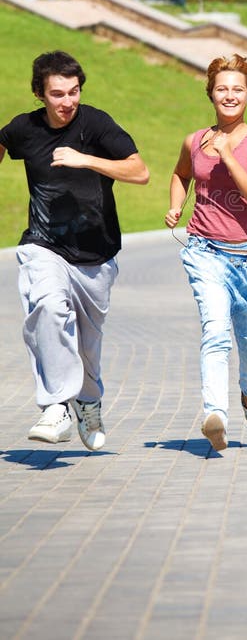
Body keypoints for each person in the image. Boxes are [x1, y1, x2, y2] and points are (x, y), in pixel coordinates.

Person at [0, 50, 149, 450]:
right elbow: (3, 142)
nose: (67, 102)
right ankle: (55, 407)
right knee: (46, 306)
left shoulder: (95, 123)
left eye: (74, 92)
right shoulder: (25, 129)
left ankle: (88, 401)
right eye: (57, 94)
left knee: (86, 346)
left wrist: (85, 159)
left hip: (96, 257)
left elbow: (140, 172)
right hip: (44, 245)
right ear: (39, 94)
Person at [165, 54, 247, 452]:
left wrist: (228, 153)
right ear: (211, 94)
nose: (229, 95)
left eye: (238, 90)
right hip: (204, 251)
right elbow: (180, 174)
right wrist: (177, 205)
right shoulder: (193, 141)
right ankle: (216, 414)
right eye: (222, 89)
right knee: (215, 332)